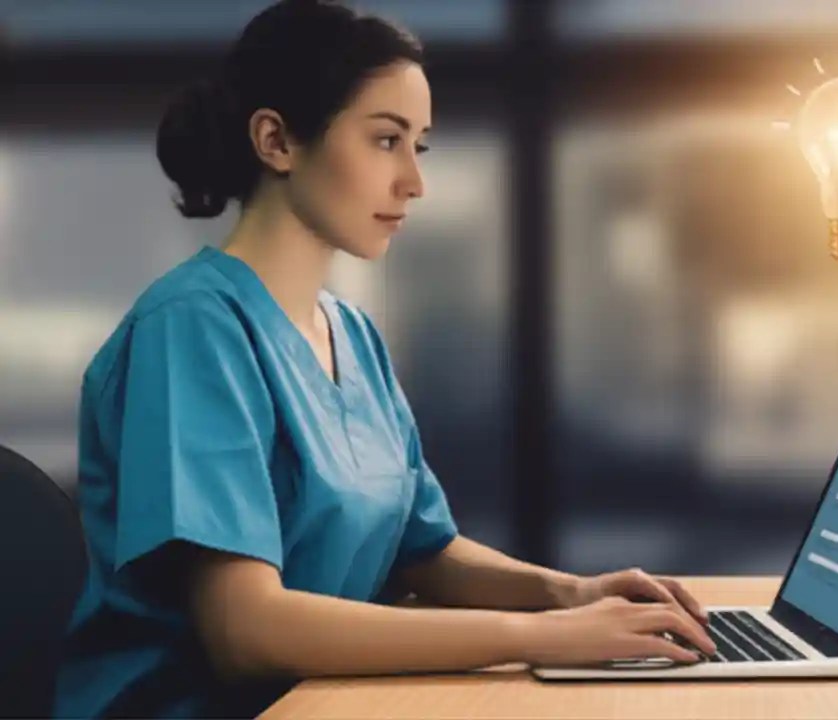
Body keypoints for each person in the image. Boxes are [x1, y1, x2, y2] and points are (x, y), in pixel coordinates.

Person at [53, 2, 715, 716]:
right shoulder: (189, 330)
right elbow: (246, 630)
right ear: (276, 140)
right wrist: (541, 635)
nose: (413, 181)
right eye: (385, 140)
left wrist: (570, 592)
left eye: (418, 147)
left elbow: (421, 550)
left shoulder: (352, 334)